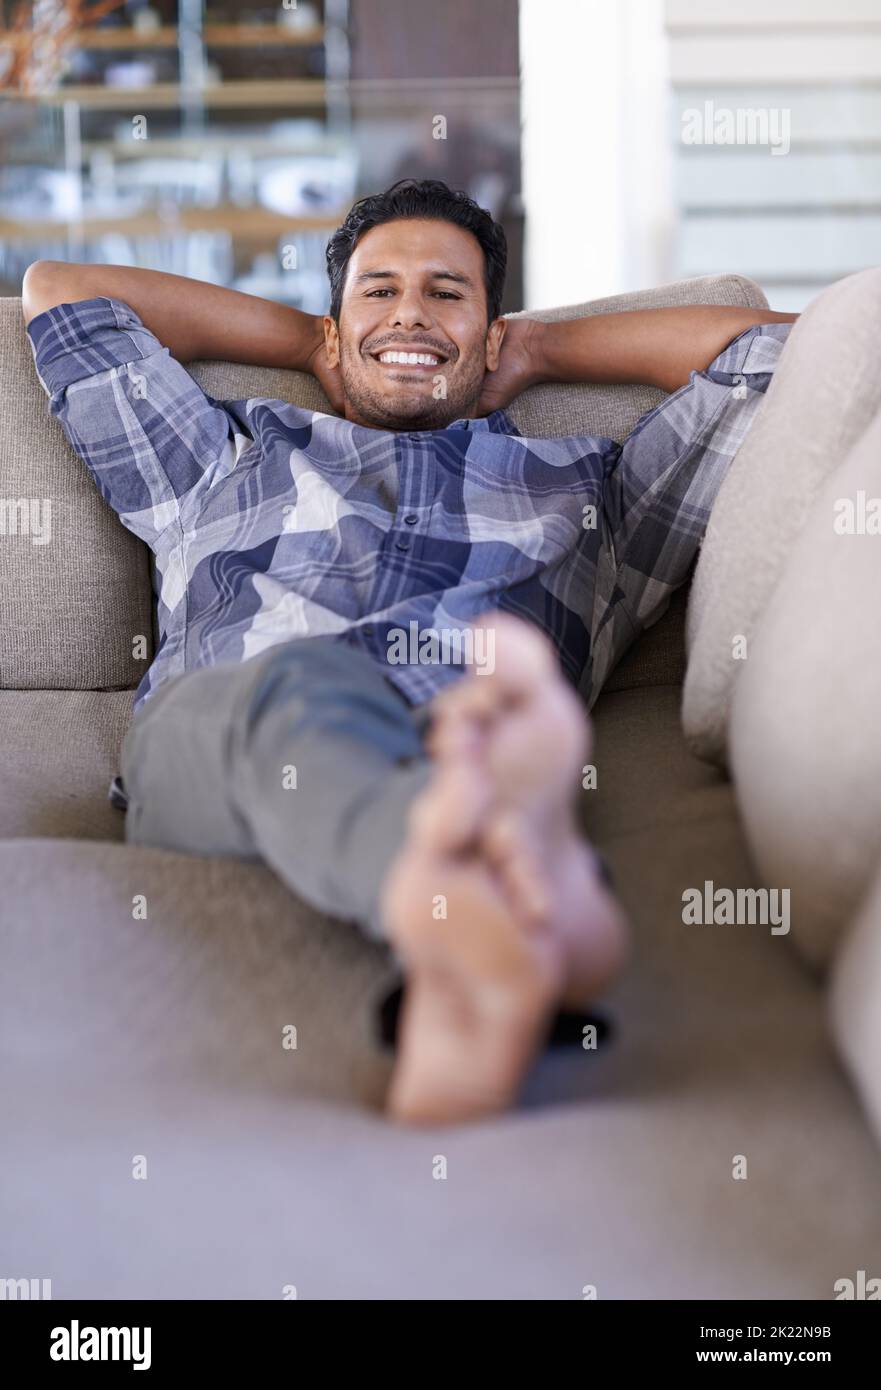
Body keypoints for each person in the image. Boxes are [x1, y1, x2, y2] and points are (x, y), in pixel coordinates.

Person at [22, 178, 797, 1125]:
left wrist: (543, 346)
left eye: (446, 293)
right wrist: (311, 343)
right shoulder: (228, 459)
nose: (410, 313)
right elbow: (63, 293)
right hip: (234, 730)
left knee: (474, 721)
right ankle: (479, 893)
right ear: (336, 325)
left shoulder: (590, 490)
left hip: (452, 714)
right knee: (305, 690)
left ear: (491, 330)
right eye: (377, 291)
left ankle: (468, 923)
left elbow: (790, 354)